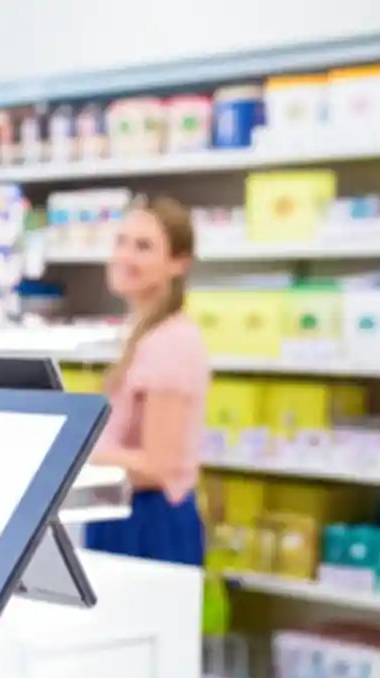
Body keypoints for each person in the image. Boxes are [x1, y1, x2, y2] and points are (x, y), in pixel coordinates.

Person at [84, 196, 211, 567]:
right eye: (120, 242)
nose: (125, 256)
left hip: (149, 525)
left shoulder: (170, 343)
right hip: (123, 513)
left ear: (179, 263)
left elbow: (158, 465)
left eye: (143, 247)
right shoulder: (144, 333)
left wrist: (75, 453)